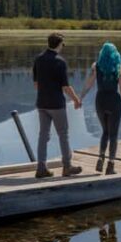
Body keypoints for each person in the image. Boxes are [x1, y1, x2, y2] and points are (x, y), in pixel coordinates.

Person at [33, 32, 82, 178]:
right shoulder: (60, 62)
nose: (63, 47)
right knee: (63, 135)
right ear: (59, 44)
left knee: (43, 135)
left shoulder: (38, 59)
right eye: (63, 44)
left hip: (41, 103)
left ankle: (41, 168)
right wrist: (76, 100)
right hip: (56, 104)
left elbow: (36, 84)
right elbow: (66, 87)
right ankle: (67, 167)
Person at [79, 41, 121, 175]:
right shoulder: (120, 68)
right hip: (114, 101)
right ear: (115, 54)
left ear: (102, 53)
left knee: (105, 132)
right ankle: (110, 165)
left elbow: (89, 84)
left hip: (100, 101)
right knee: (113, 135)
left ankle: (100, 157)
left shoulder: (96, 67)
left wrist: (81, 97)